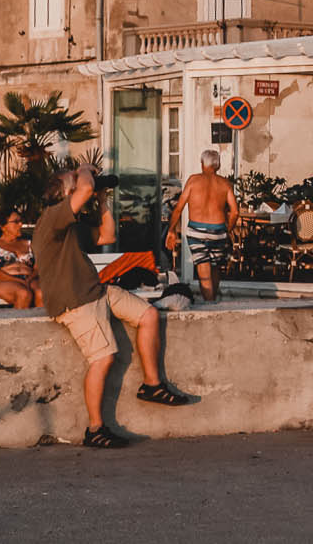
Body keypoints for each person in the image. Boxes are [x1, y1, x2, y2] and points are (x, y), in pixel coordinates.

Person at [32, 164, 190, 448]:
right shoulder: (52, 218)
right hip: (76, 301)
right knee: (102, 359)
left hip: (97, 290)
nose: (82, 184)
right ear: (63, 193)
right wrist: (83, 171)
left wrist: (102, 199)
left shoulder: (70, 226)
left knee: (149, 315)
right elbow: (85, 188)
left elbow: (107, 236)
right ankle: (95, 429)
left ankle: (152, 385)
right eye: (74, 182)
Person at [164, 150, 239, 302]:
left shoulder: (193, 181)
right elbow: (235, 212)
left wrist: (171, 230)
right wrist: (228, 229)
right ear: (218, 165)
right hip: (218, 230)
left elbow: (178, 208)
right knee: (215, 266)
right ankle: (213, 300)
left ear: (202, 164)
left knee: (203, 270)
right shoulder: (225, 184)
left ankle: (209, 304)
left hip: (197, 231)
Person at [0, 211, 42, 308]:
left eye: (21, 221)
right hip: (3, 280)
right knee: (23, 293)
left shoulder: (30, 244)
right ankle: (19, 323)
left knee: (41, 294)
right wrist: (19, 281)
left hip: (29, 279)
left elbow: (37, 267)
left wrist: (29, 279)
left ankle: (39, 323)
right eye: (16, 222)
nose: (20, 224)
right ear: (3, 227)